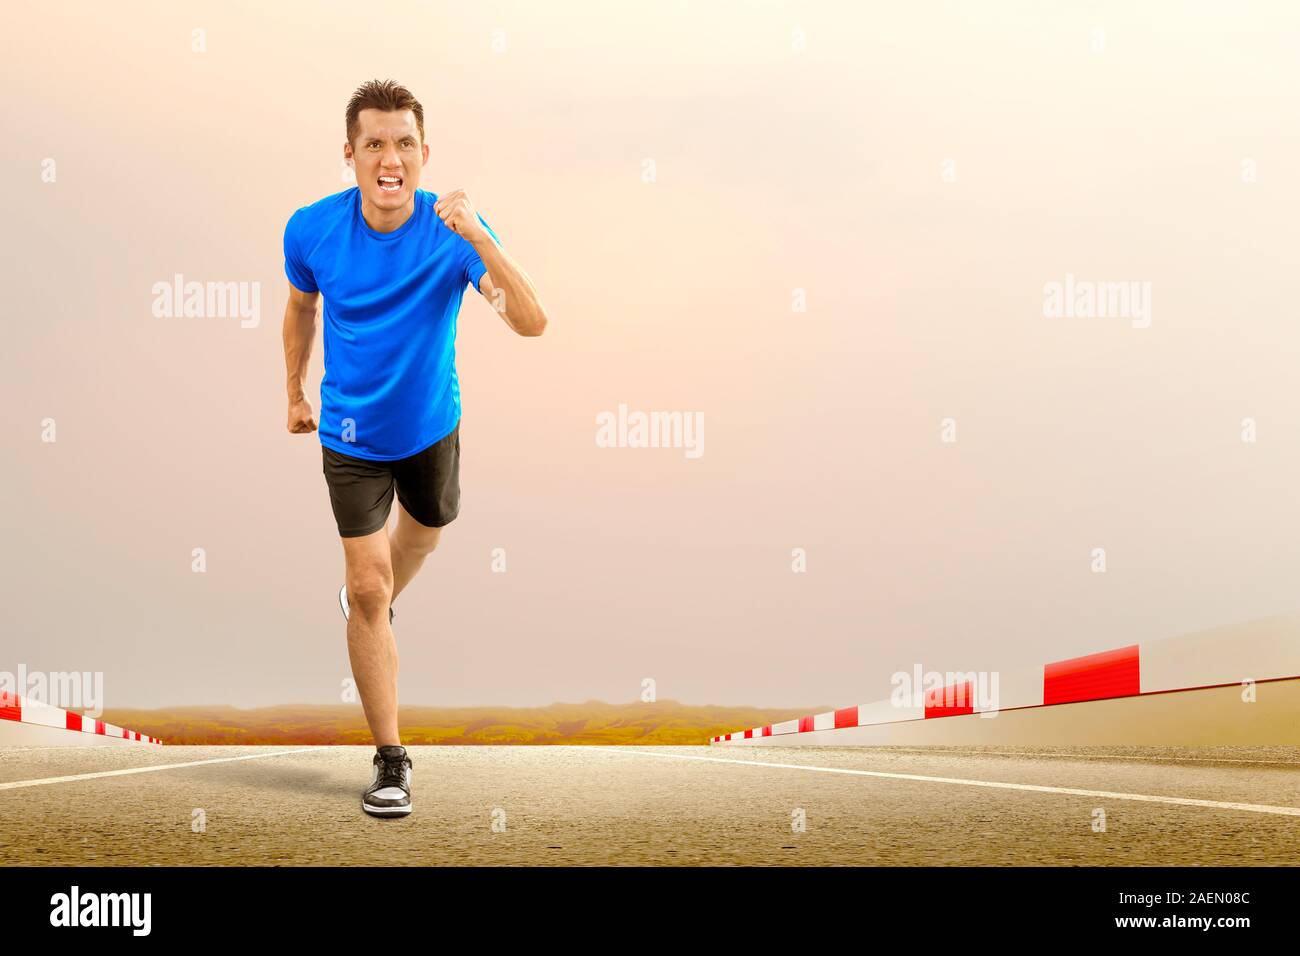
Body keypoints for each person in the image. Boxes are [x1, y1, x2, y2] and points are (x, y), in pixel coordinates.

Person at [280, 79, 548, 817]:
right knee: (368, 588)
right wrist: (295, 392)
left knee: (425, 535)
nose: (388, 158)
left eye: (403, 143)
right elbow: (301, 307)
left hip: (431, 430)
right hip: (351, 435)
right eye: (374, 143)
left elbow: (531, 322)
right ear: (351, 154)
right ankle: (391, 761)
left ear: (424, 155)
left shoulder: (452, 232)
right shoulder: (312, 230)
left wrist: (480, 236)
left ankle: (376, 600)